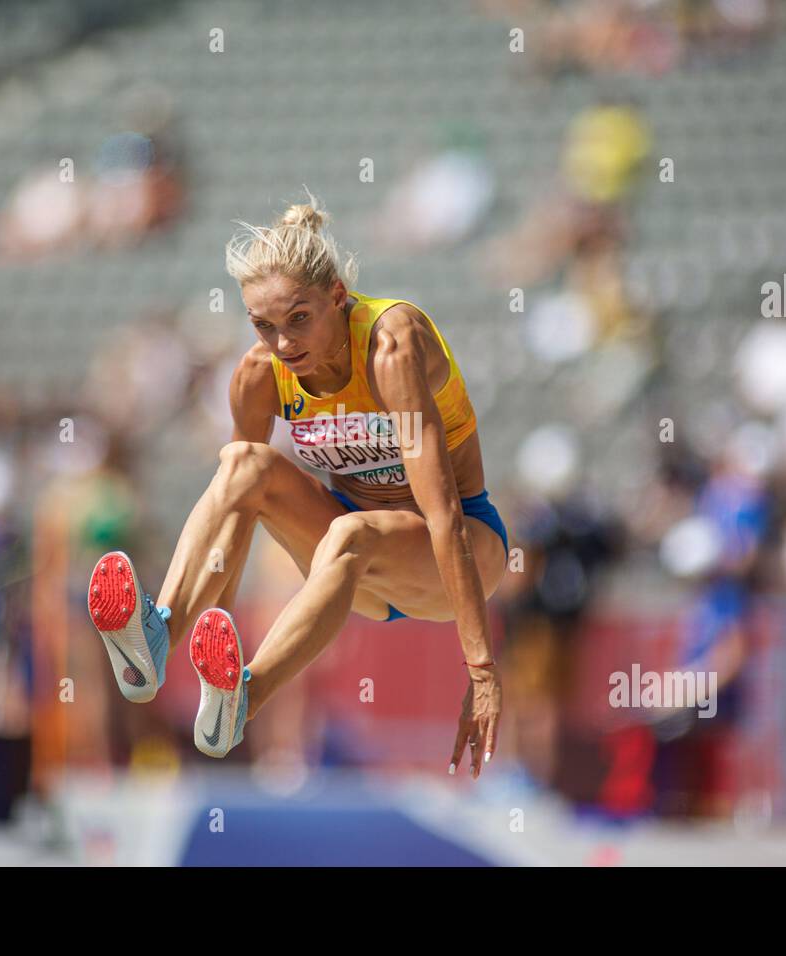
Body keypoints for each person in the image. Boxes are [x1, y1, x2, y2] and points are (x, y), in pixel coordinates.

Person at [87, 192, 510, 776]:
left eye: (299, 320)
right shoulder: (261, 375)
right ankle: (159, 638)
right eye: (264, 326)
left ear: (337, 294)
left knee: (350, 533)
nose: (284, 345)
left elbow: (443, 516)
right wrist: (218, 623)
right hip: (352, 566)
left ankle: (246, 700)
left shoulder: (391, 348)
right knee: (242, 466)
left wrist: (481, 670)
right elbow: (235, 510)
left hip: (454, 555)